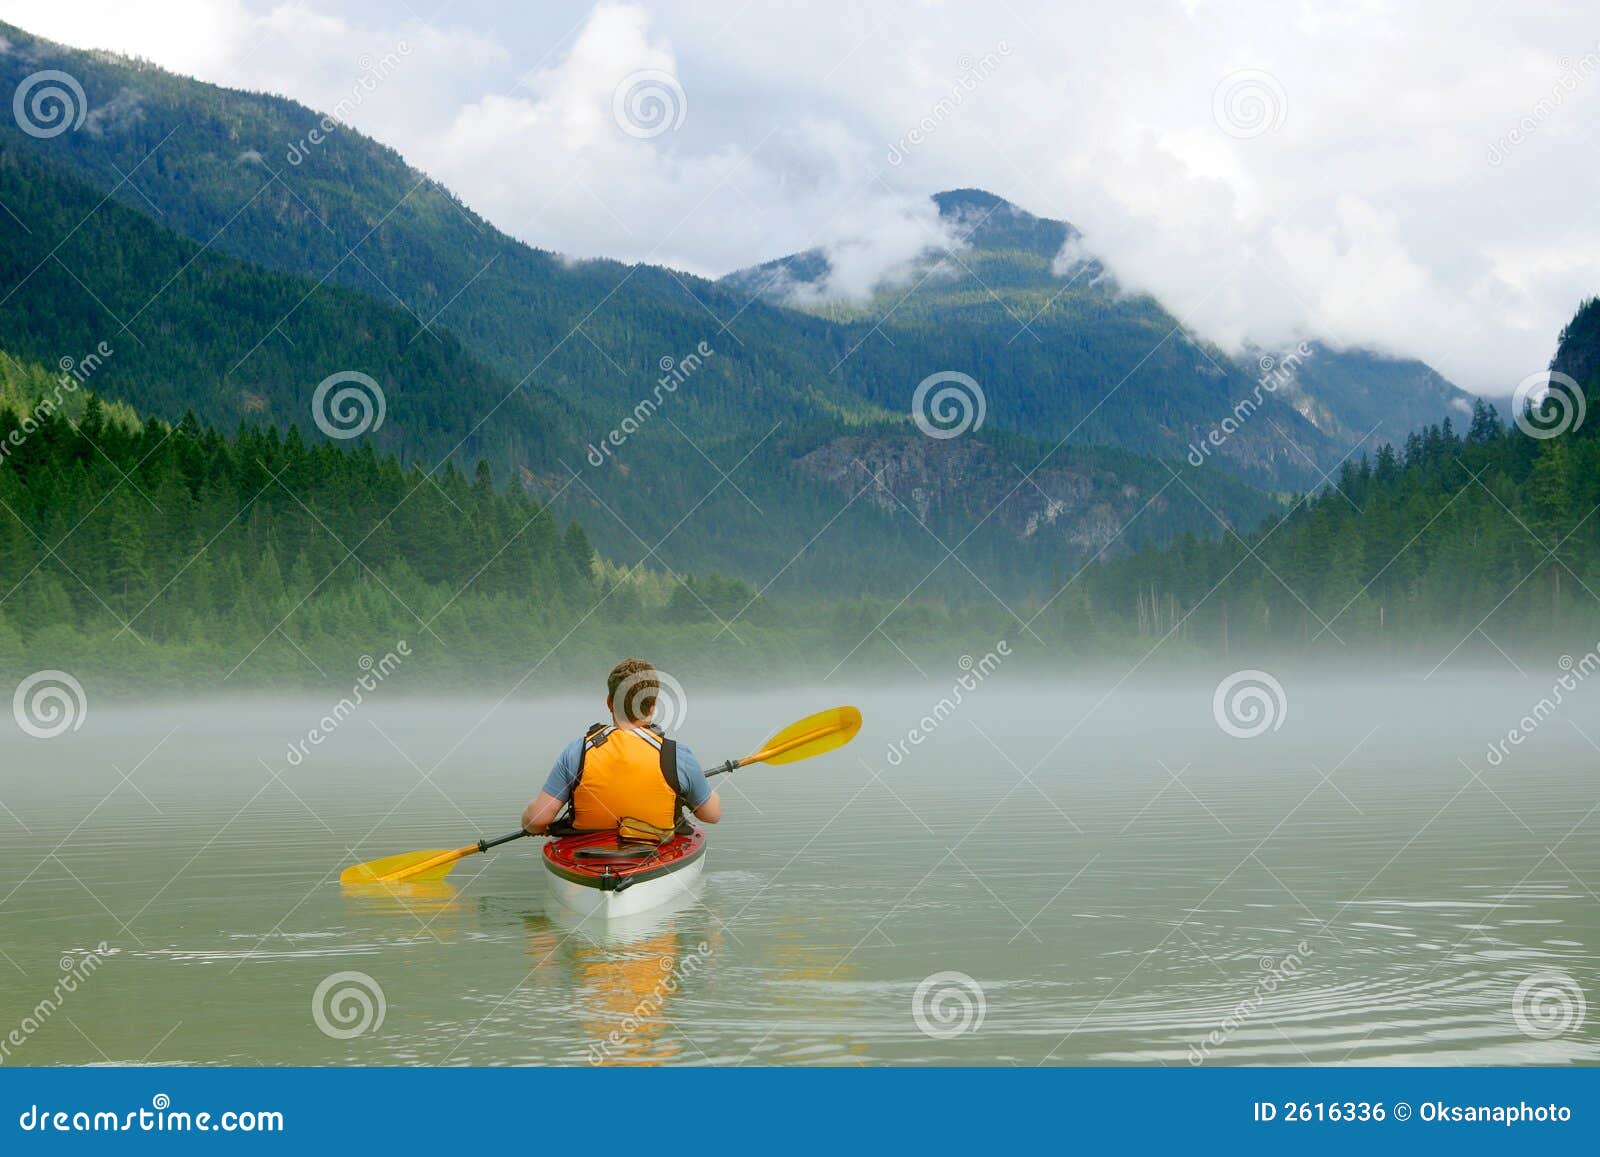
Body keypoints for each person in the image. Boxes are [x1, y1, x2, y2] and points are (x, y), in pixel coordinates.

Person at [521, 658, 721, 835]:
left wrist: (536, 826)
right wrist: (694, 789)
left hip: (588, 856)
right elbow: (712, 815)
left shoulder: (577, 751)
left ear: (609, 702)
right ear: (653, 706)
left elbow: (537, 820)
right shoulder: (678, 755)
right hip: (654, 855)